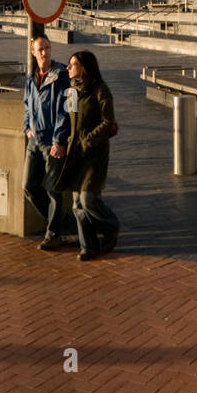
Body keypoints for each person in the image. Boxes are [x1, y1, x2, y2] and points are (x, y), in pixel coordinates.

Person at [61, 50, 120, 261]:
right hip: (74, 152)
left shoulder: (100, 91)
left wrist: (87, 141)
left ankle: (111, 226)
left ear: (84, 68)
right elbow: (69, 121)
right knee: (76, 202)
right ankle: (88, 245)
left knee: (88, 199)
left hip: (94, 152)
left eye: (73, 64)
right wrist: (64, 142)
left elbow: (108, 122)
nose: (68, 68)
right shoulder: (71, 92)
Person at [23, 32, 74, 248]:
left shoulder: (60, 74)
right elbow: (27, 104)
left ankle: (53, 234)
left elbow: (66, 110)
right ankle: (58, 224)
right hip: (34, 141)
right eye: (40, 49)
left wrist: (59, 140)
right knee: (29, 186)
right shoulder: (32, 78)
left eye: (47, 48)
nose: (44, 52)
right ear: (34, 53)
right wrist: (26, 127)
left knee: (53, 190)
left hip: (52, 141)